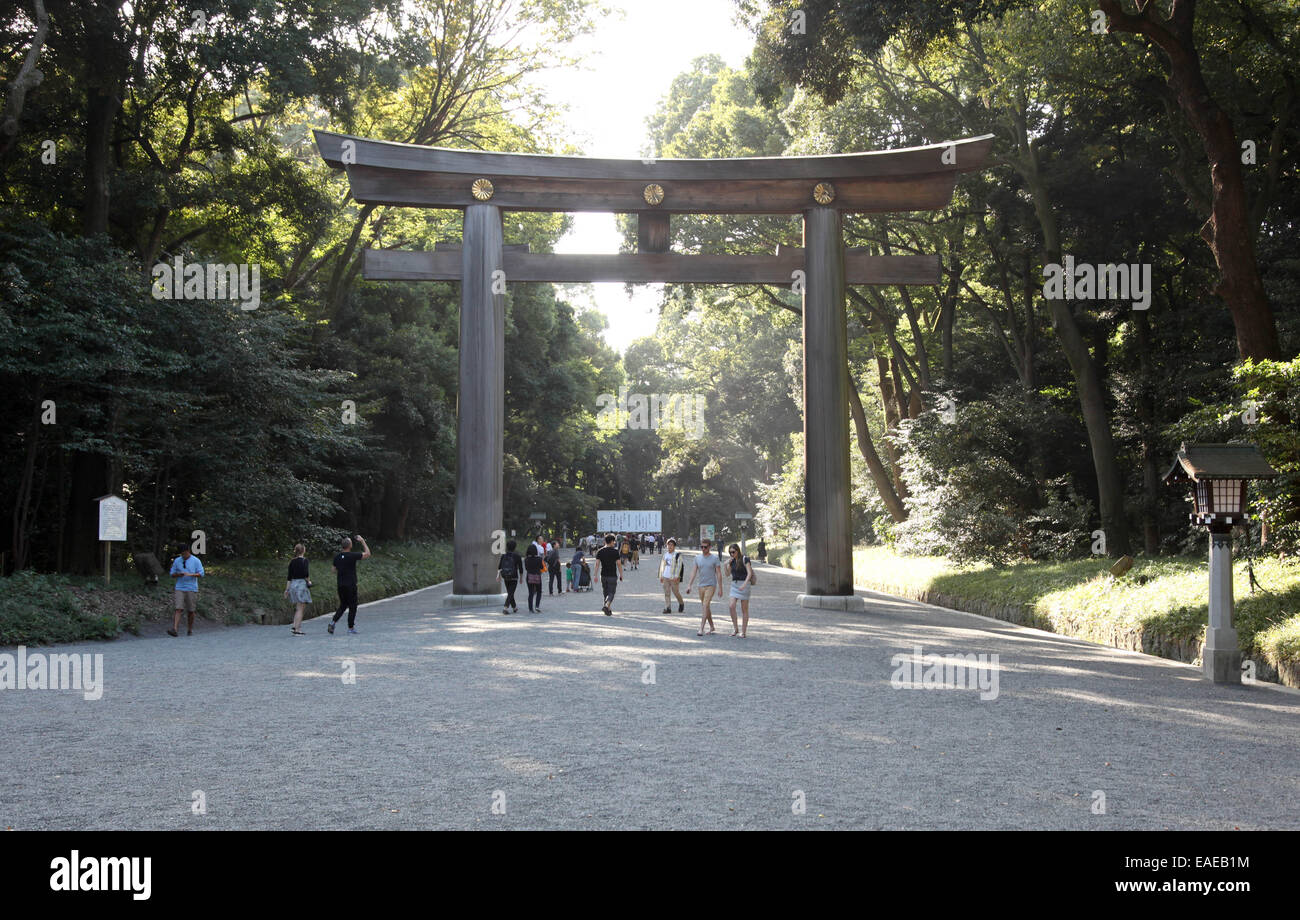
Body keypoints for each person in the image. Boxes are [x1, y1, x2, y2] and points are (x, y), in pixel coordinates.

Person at [328, 534, 370, 635]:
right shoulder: (352, 556)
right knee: (353, 606)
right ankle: (350, 628)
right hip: (350, 584)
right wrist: (362, 541)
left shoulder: (337, 557)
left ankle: (333, 622)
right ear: (350, 545)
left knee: (343, 605)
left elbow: (333, 570)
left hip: (340, 584)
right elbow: (368, 554)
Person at [686, 538, 724, 637]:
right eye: (701, 547)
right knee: (706, 607)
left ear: (710, 547)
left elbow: (719, 574)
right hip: (701, 586)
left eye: (705, 547)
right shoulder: (697, 558)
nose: (703, 549)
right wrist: (689, 585)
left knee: (705, 605)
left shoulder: (715, 558)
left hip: (711, 585)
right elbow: (693, 572)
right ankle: (712, 626)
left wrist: (720, 588)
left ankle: (701, 628)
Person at [167, 544, 205, 637]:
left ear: (189, 551)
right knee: (178, 608)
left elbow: (201, 573)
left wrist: (191, 575)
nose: (184, 556)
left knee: (191, 610)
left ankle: (190, 629)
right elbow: (172, 573)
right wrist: (178, 574)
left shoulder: (196, 561)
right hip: (180, 587)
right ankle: (175, 629)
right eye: (182, 554)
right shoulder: (177, 561)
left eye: (185, 553)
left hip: (191, 588)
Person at [725, 543, 754, 638]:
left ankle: (743, 631)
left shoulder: (745, 559)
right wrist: (726, 564)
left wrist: (745, 584)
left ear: (738, 551)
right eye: (730, 552)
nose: (732, 554)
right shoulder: (732, 561)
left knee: (744, 609)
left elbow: (749, 573)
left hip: (744, 584)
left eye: (733, 552)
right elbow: (727, 574)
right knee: (731, 606)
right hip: (734, 585)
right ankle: (735, 628)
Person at [284, 543, 312, 636]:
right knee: (301, 608)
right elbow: (306, 574)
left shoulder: (292, 562)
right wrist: (309, 582)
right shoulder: (305, 561)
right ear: (303, 550)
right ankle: (297, 629)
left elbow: (289, 577)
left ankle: (294, 625)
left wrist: (287, 590)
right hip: (301, 585)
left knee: (297, 607)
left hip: (293, 585)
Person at [595, 534, 623, 616]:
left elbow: (597, 564)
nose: (614, 543)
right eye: (613, 541)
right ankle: (607, 605)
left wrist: (595, 575)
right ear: (611, 542)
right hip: (612, 575)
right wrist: (621, 574)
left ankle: (607, 609)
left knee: (605, 592)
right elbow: (619, 564)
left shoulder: (600, 551)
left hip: (603, 574)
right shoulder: (615, 552)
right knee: (611, 592)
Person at [659, 537, 686, 614]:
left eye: (671, 545)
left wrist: (677, 576)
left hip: (673, 577)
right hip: (665, 576)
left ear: (674, 546)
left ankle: (681, 603)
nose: (669, 546)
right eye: (668, 545)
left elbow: (679, 566)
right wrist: (661, 575)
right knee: (667, 592)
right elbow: (662, 566)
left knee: (676, 592)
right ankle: (668, 608)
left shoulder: (677, 555)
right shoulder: (665, 555)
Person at [497, 539, 522, 614]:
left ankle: (514, 607)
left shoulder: (503, 556)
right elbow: (521, 568)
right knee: (511, 593)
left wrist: (498, 576)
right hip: (514, 576)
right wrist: (521, 578)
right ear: (515, 547)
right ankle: (505, 607)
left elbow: (499, 567)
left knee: (510, 592)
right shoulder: (517, 556)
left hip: (505, 576)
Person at [523, 544, 544, 613]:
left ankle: (530, 608)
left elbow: (526, 568)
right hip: (537, 576)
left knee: (531, 593)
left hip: (529, 577)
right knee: (539, 591)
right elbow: (541, 567)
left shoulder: (526, 559)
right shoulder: (539, 559)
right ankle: (537, 606)